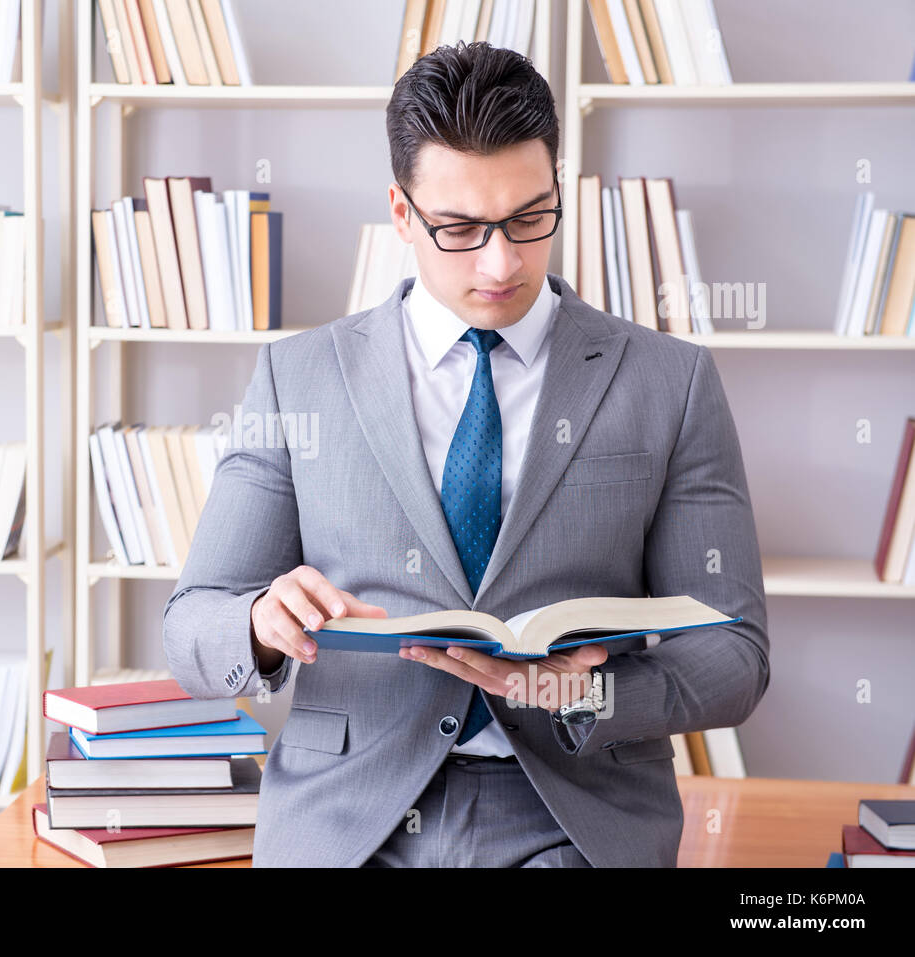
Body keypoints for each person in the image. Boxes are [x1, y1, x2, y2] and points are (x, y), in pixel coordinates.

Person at [162, 40, 769, 867]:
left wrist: (586, 691)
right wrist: (262, 624)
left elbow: (737, 652)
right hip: (346, 819)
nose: (502, 262)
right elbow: (193, 623)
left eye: (528, 218)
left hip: (574, 815)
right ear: (402, 212)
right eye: (460, 228)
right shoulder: (297, 375)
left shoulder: (670, 380)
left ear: (558, 187)